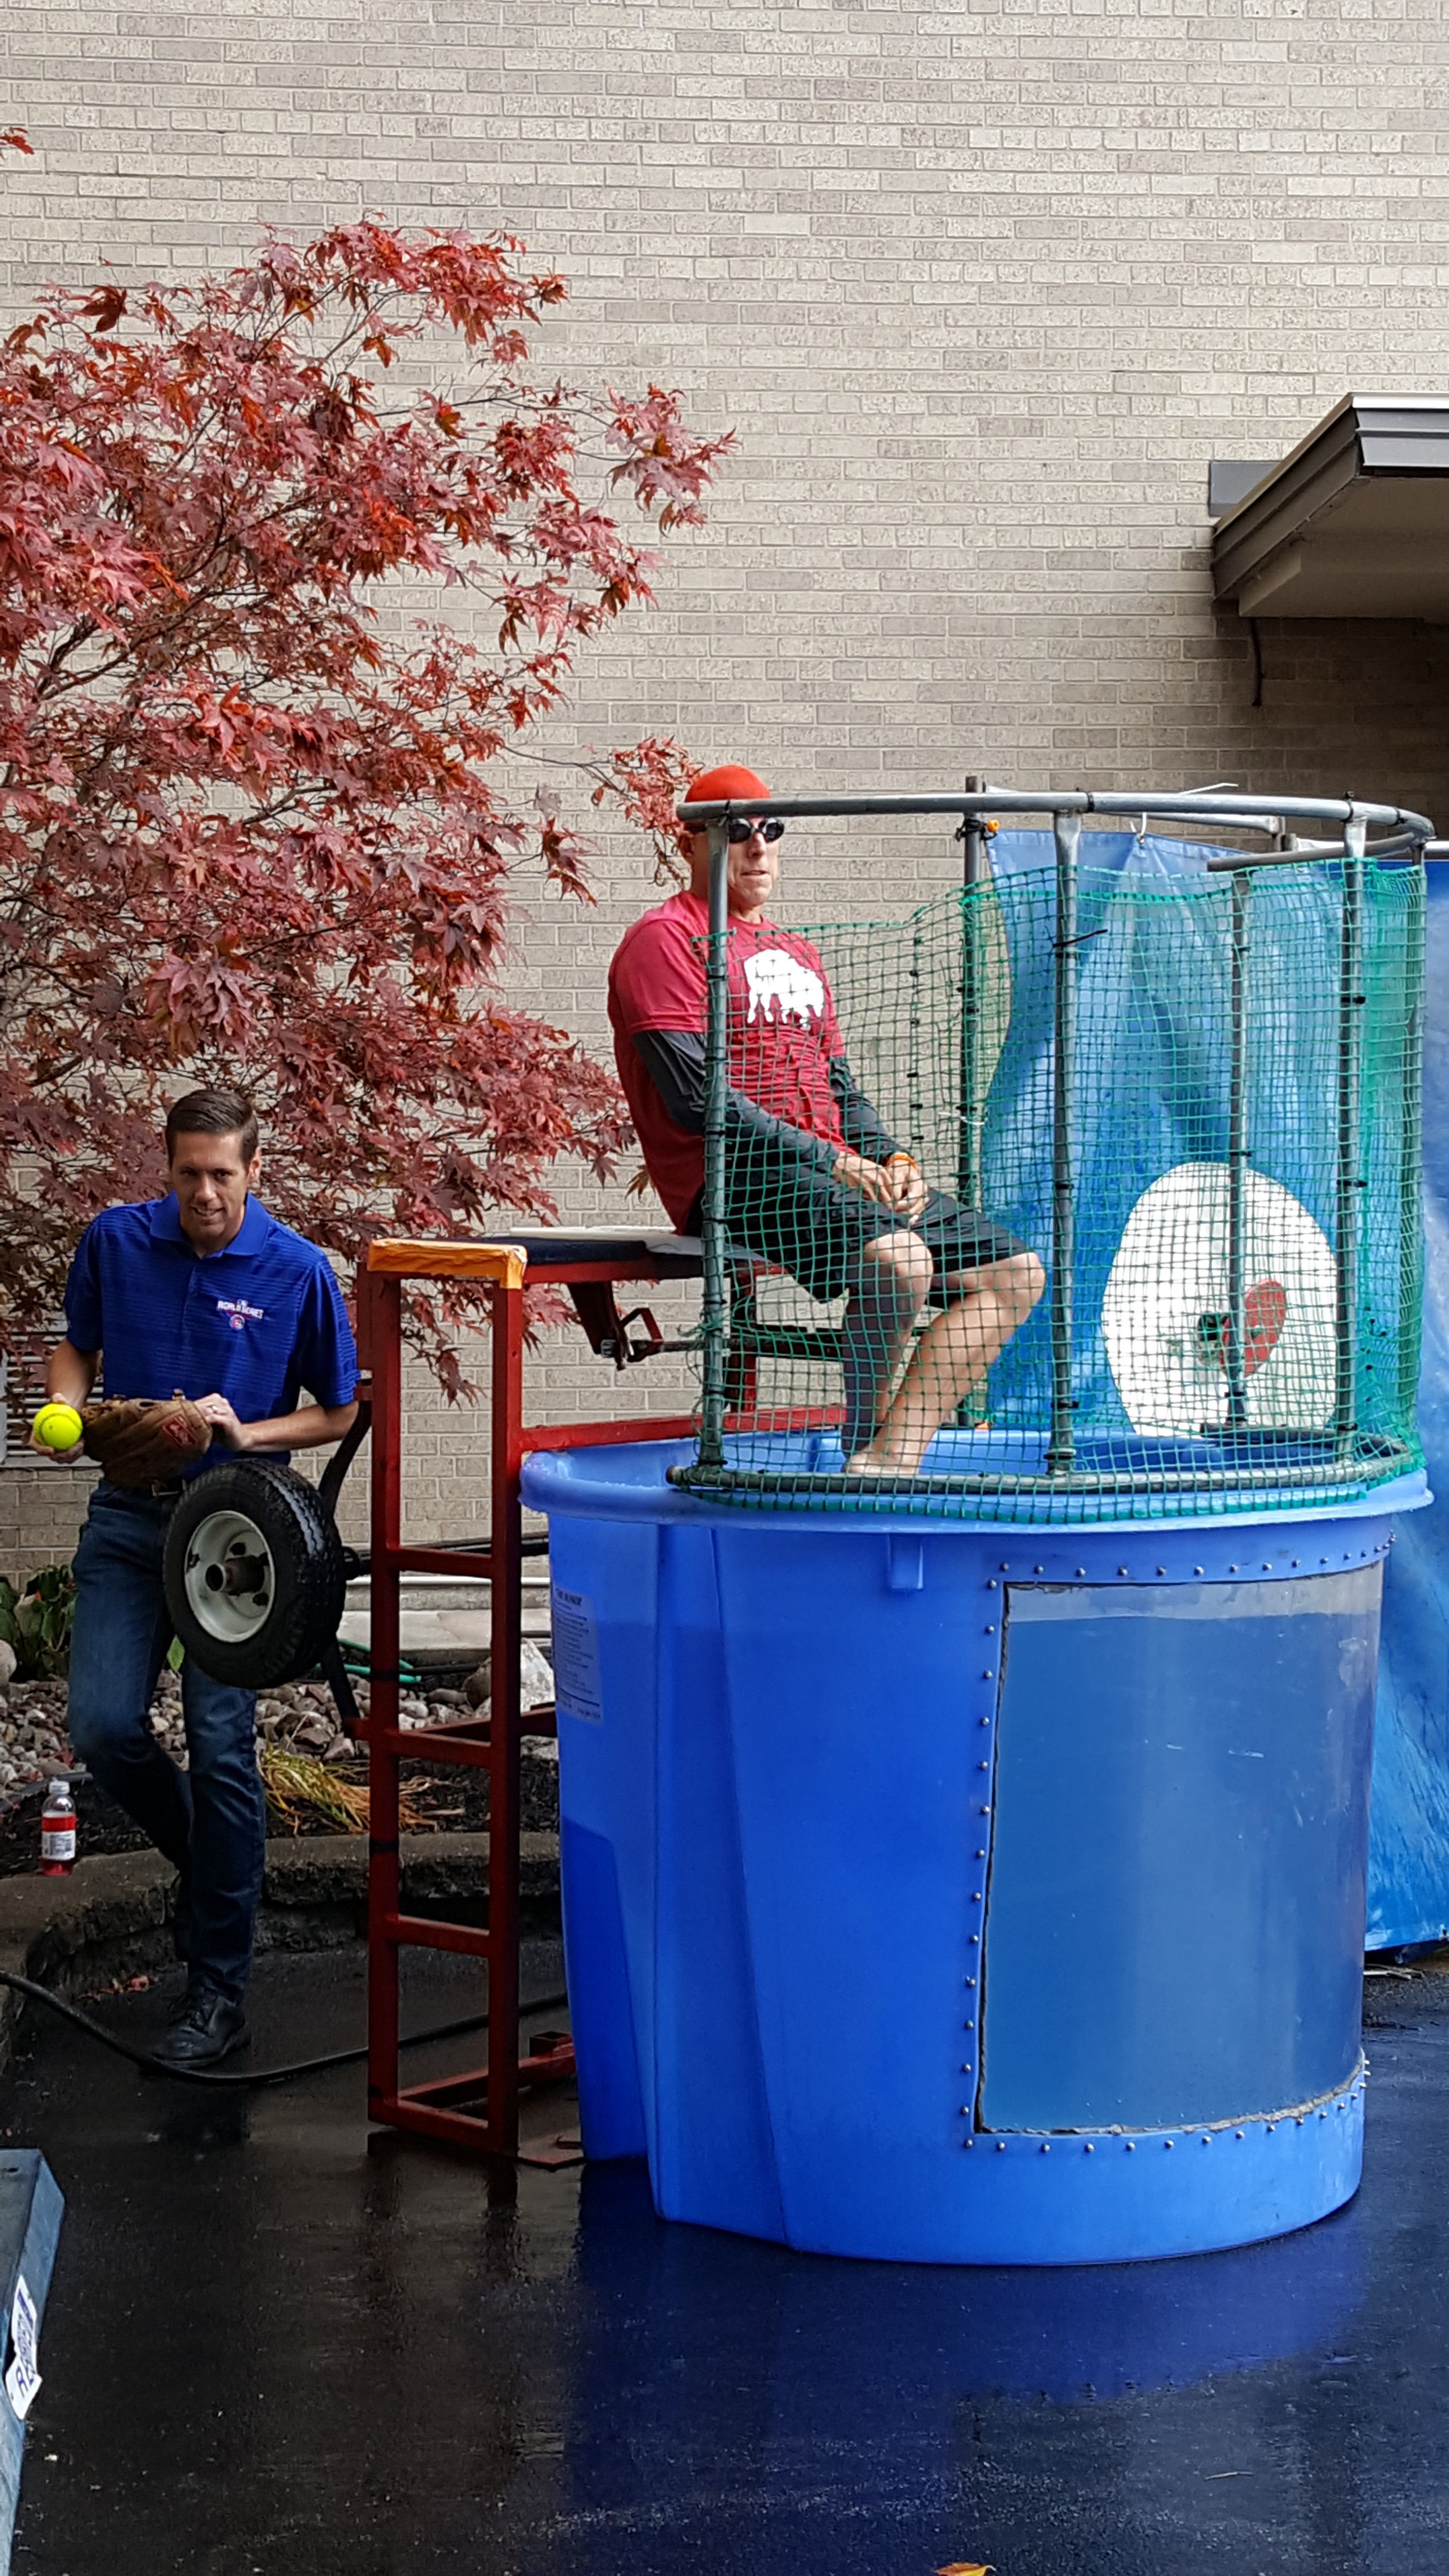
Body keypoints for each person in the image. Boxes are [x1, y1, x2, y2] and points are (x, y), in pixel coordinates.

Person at [32, 1089, 359, 2067]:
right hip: (131, 1521)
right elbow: (76, 1347)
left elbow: (339, 1413)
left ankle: (219, 1990)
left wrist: (244, 1432)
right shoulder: (116, 1243)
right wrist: (64, 1408)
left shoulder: (297, 1270)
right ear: (167, 1167)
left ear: (255, 1170)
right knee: (100, 1725)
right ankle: (210, 1873)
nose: (206, 1192)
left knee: (223, 1753)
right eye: (189, 1173)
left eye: (224, 1174)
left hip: (238, 1532)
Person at [608, 763, 1044, 1475]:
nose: (759, 846)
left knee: (1017, 1274)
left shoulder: (795, 952)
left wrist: (892, 1158)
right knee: (900, 1260)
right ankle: (862, 1446)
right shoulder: (664, 940)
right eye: (737, 830)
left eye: (771, 830)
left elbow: (841, 1088)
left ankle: (891, 1456)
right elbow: (697, 1099)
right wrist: (836, 1160)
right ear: (689, 843)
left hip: (834, 1175)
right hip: (734, 1179)